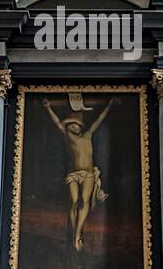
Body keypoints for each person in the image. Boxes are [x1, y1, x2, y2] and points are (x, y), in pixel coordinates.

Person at [42, 97, 117, 250]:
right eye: (72, 125)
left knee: (84, 201)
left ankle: (77, 234)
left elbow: (99, 119)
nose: (75, 127)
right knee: (75, 201)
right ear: (68, 128)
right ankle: (73, 230)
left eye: (77, 125)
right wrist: (48, 108)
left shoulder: (88, 135)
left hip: (88, 174)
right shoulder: (68, 138)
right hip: (74, 175)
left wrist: (109, 105)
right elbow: (58, 123)